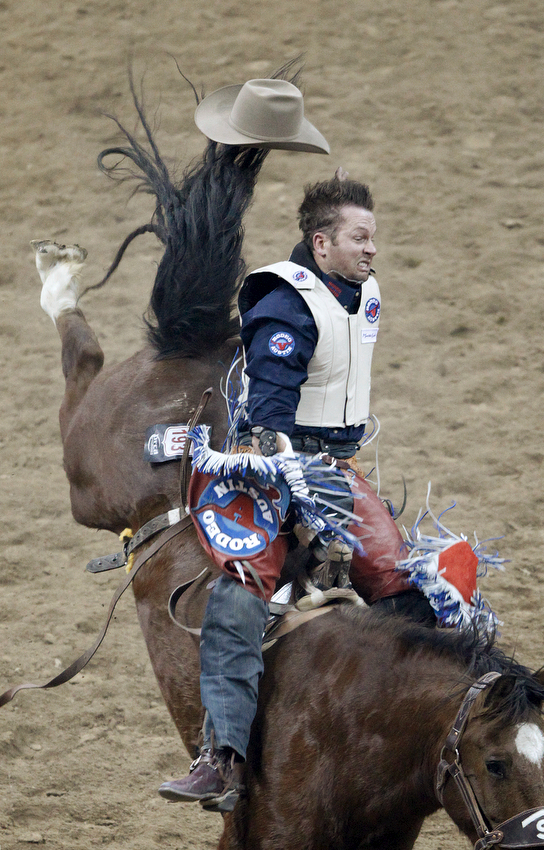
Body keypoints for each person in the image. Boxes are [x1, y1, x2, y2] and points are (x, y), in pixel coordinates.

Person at [159, 92, 434, 810]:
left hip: (338, 469)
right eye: (361, 238)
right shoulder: (286, 304)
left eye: (374, 237)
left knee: (414, 591)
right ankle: (222, 756)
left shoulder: (357, 293)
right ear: (323, 244)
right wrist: (292, 487)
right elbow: (273, 405)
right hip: (279, 468)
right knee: (239, 600)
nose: (373, 248)